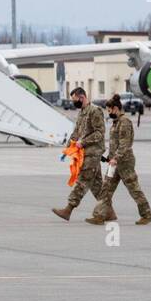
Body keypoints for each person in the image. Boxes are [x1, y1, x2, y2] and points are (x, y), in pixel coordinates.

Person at [85, 94, 151, 225]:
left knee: (134, 189)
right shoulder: (116, 123)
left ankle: (147, 214)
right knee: (106, 189)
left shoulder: (124, 122)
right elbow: (115, 144)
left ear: (116, 109)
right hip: (114, 163)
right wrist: (109, 157)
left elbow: (125, 144)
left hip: (125, 163)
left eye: (109, 111)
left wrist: (115, 158)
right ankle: (99, 216)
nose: (108, 113)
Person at [52, 87, 104, 221]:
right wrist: (69, 145)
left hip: (93, 152)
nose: (74, 102)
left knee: (83, 181)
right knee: (97, 186)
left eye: (75, 99)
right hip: (84, 152)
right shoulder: (82, 112)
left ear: (82, 97)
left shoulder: (95, 111)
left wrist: (83, 142)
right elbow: (77, 131)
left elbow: (99, 133)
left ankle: (68, 209)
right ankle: (108, 210)